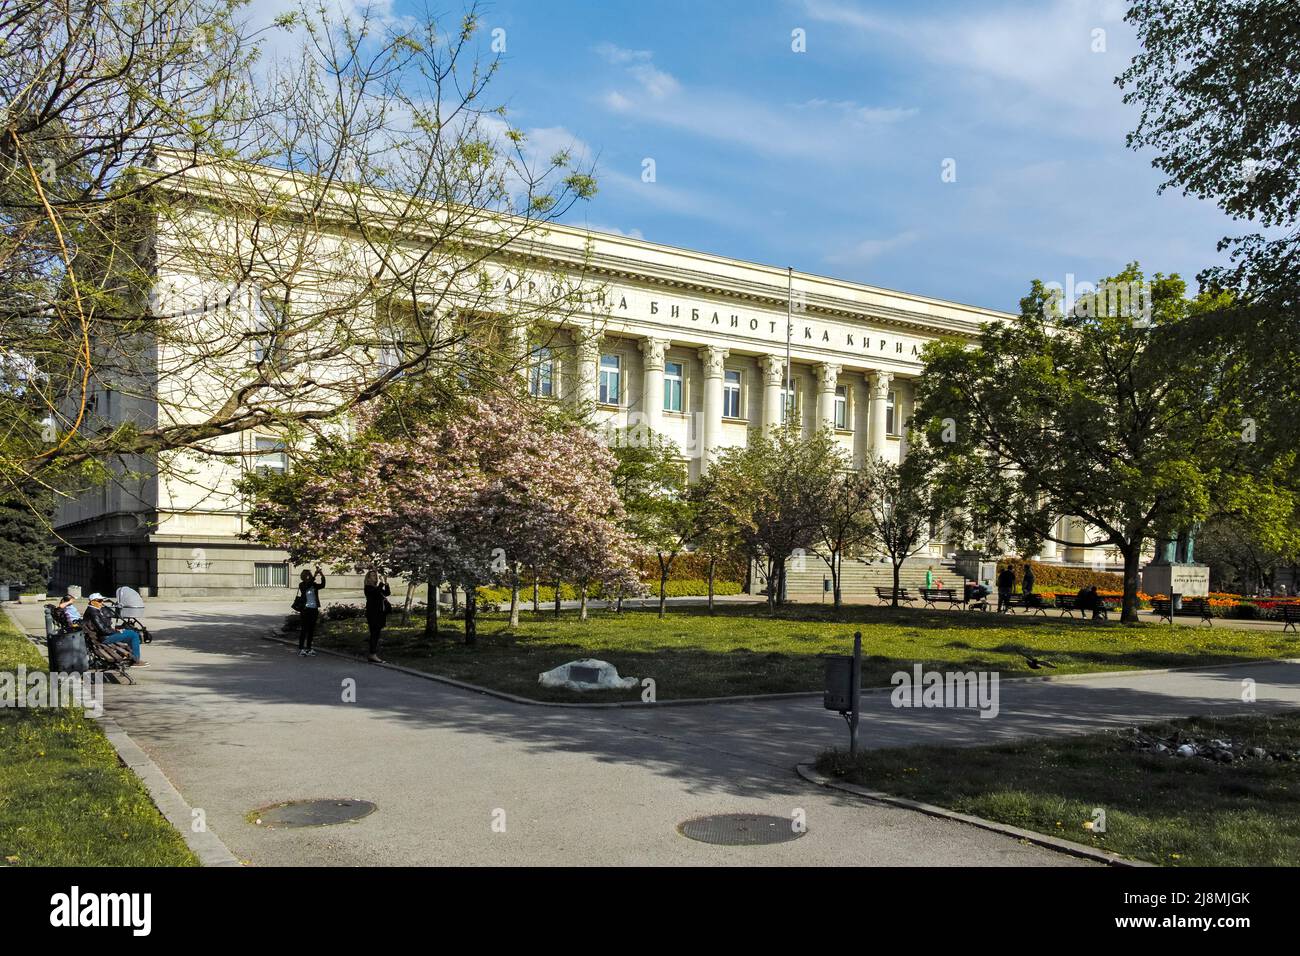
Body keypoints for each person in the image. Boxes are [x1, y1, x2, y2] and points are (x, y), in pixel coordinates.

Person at [83, 593, 147, 666]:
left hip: (102, 636)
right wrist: (115, 631)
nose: (102, 602)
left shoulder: (93, 610)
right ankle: (135, 660)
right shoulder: (93, 613)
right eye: (100, 601)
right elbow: (103, 630)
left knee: (131, 632)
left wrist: (115, 630)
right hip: (105, 638)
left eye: (102, 600)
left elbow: (102, 627)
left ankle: (132, 658)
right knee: (134, 635)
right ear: (92, 602)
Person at [296, 567, 326, 657]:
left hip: (314, 609)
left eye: (309, 575)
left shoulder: (314, 585)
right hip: (305, 610)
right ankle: (301, 649)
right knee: (304, 630)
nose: (309, 577)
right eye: (307, 575)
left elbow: (323, 585)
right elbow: (307, 586)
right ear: (304, 577)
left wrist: (321, 574)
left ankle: (309, 648)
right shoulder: (302, 585)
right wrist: (315, 575)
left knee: (311, 630)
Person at [363, 570, 391, 663]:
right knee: (374, 633)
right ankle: (372, 654)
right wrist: (381, 584)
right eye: (372, 575)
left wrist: (386, 582)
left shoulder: (376, 587)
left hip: (380, 613)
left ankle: (373, 653)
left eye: (375, 575)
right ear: (368, 578)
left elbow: (387, 593)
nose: (375, 577)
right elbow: (375, 593)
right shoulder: (368, 588)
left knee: (377, 633)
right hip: (373, 614)